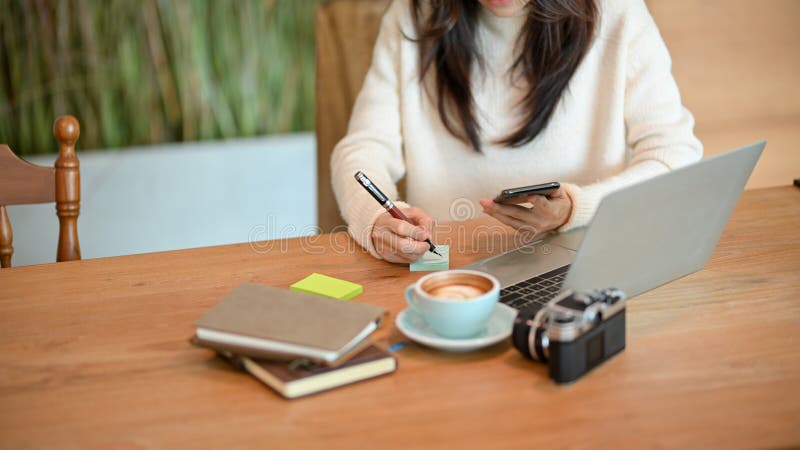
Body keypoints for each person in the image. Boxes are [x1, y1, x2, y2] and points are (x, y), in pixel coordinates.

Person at [331, 0, 702, 263]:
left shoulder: (618, 12)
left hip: (580, 262)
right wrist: (376, 219)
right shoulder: (413, 14)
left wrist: (578, 209)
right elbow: (364, 148)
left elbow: (676, 155)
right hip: (445, 271)